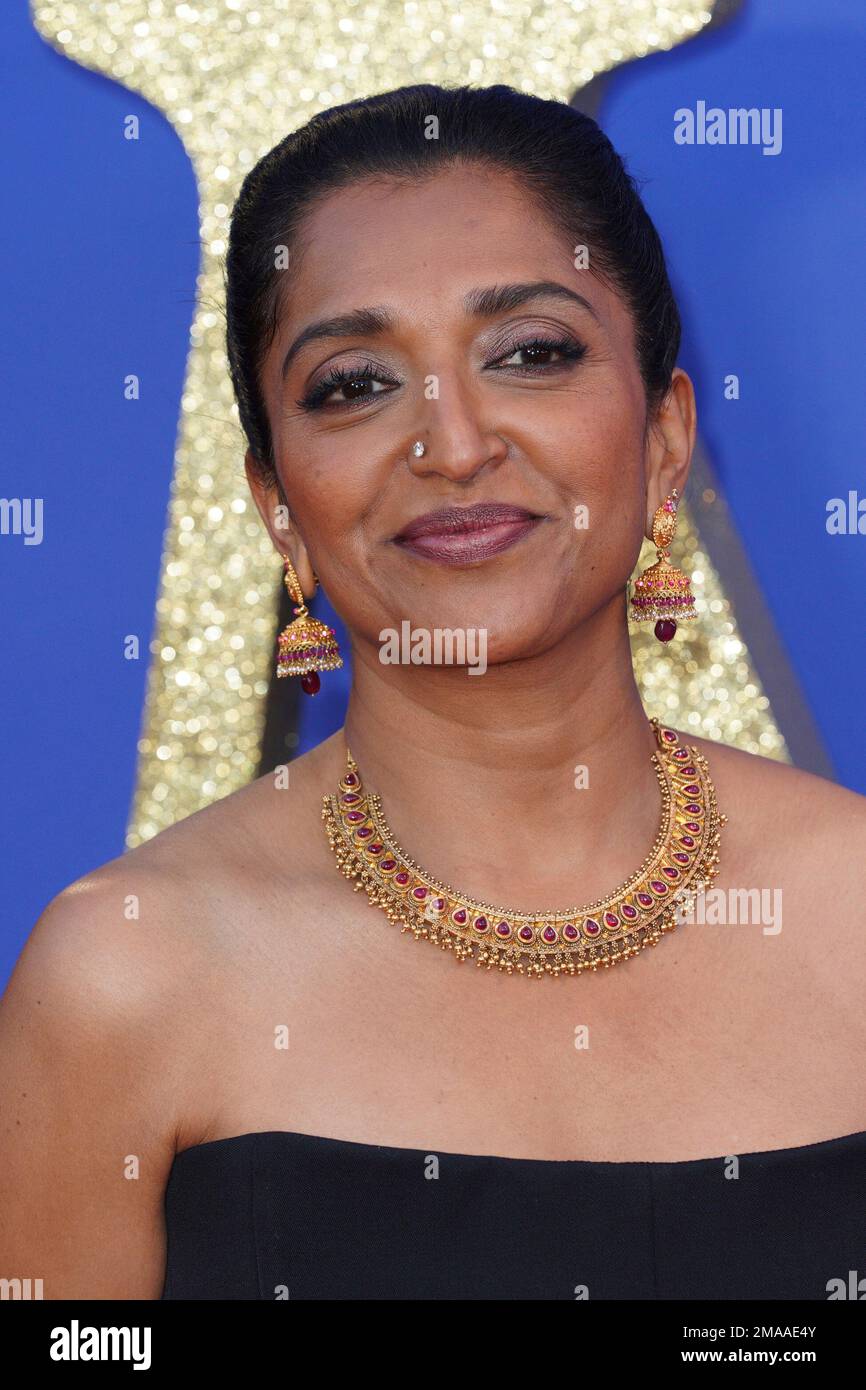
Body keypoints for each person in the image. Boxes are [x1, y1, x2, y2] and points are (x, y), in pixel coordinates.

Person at [2, 83, 865, 1301]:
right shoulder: (129, 976)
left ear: (666, 441)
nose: (451, 443)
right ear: (278, 507)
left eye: (530, 353)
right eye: (354, 382)